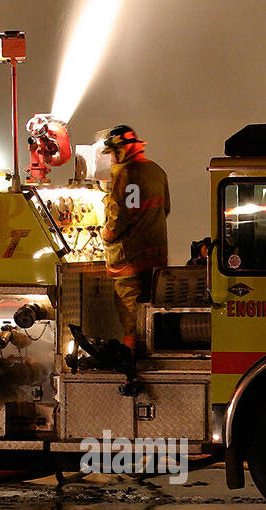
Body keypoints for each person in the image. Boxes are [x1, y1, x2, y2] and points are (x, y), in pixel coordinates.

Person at [99, 125, 170, 352]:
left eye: (111, 153)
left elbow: (121, 215)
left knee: (132, 322)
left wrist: (106, 235)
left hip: (129, 264)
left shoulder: (127, 174)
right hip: (155, 261)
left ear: (121, 150)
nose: (110, 159)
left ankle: (132, 368)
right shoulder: (157, 171)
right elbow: (165, 209)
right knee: (152, 317)